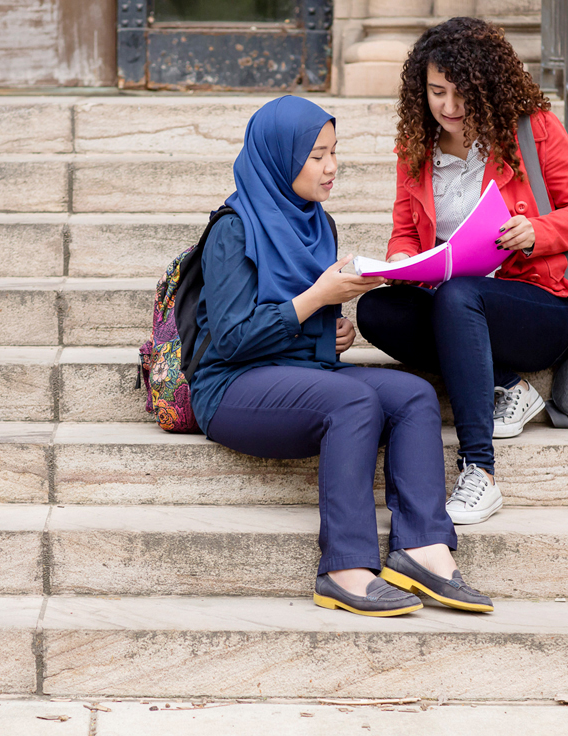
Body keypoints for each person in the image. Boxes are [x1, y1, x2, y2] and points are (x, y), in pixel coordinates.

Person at [188, 95, 492, 617]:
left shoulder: (316, 224)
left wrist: (331, 329)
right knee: (352, 400)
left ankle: (422, 548)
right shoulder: (233, 229)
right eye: (316, 156)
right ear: (279, 159)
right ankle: (344, 568)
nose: (332, 167)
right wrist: (317, 301)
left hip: (301, 373)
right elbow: (232, 340)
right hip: (231, 388)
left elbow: (298, 326)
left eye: (334, 151)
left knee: (414, 396)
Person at [355, 17, 568, 525]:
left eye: (461, 93)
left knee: (457, 297)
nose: (448, 107)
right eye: (436, 92)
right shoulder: (417, 150)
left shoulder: (531, 129)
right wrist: (403, 260)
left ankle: (480, 471)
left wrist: (538, 231)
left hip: (538, 305)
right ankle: (507, 384)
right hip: (457, 300)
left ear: (487, 85)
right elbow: (406, 230)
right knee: (375, 310)